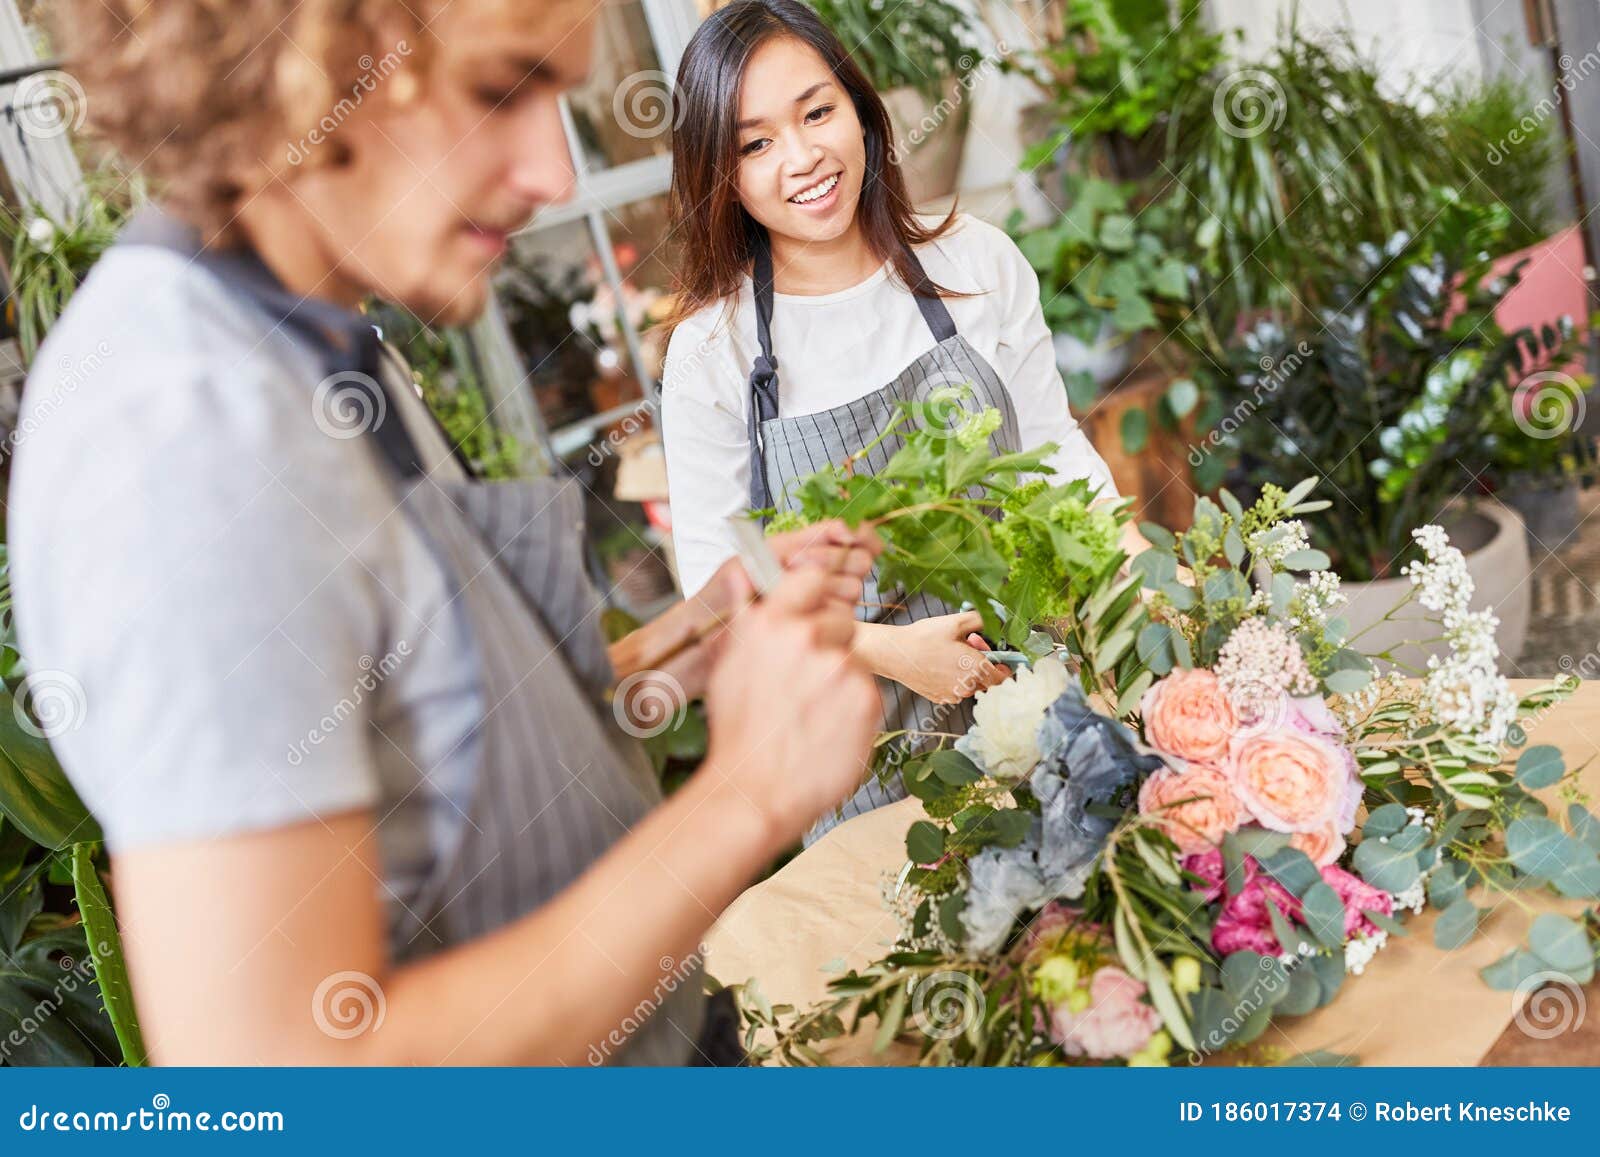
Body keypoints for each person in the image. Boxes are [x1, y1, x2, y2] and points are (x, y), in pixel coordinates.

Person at [10, 0, 884, 1065]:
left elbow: (402, 746)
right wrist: (747, 793)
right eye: (498, 91)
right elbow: (293, 1078)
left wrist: (677, 644)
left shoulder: (318, 326)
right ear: (304, 60)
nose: (553, 174)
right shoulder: (183, 428)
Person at [658, 0, 1130, 838]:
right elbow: (720, 585)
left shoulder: (974, 258)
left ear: (860, 108)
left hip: (1038, 682)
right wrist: (889, 653)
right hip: (856, 751)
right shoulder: (713, 350)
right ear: (718, 173)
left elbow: (1057, 451)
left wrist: (1143, 583)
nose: (802, 158)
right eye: (755, 143)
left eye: (817, 112)